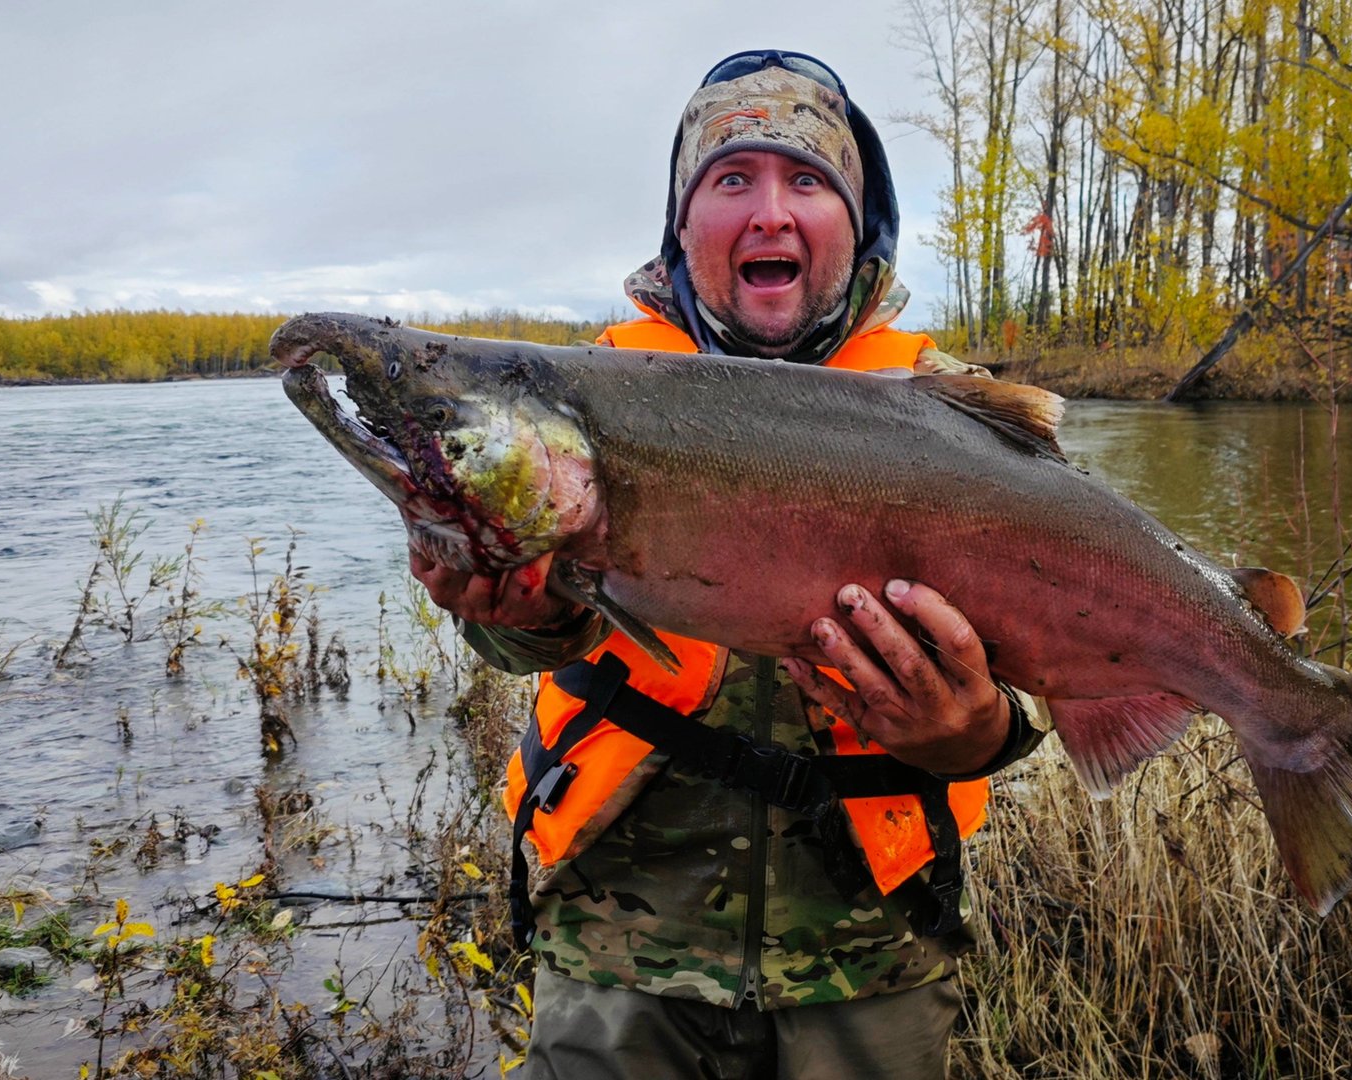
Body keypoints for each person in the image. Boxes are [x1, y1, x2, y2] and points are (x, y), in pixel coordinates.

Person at [410, 50, 1045, 1079]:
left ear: (859, 219)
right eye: (731, 179)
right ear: (682, 222)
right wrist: (511, 610)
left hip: (870, 956)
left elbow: (1045, 683)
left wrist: (976, 733)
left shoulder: (958, 415)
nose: (771, 213)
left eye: (807, 181)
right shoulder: (568, 401)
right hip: (620, 952)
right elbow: (519, 635)